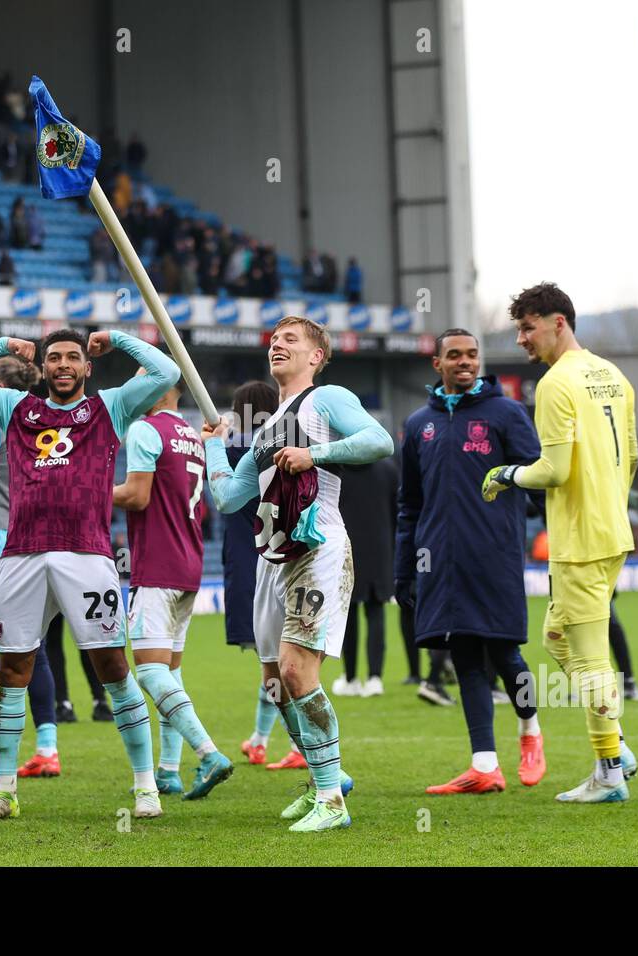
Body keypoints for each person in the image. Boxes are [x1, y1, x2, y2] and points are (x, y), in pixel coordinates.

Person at [0, 328, 180, 822]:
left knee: (112, 667)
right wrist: (2, 344)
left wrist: (120, 339)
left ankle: (145, 785)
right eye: (54, 358)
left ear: (87, 367)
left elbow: (168, 373)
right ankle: (4, 792)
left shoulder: (110, 408)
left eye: (73, 357)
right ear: (42, 368)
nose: (64, 364)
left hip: (87, 556)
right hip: (22, 556)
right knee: (11, 671)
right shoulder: (14, 409)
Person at [204, 315, 394, 831]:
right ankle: (320, 778)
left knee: (295, 671)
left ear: (315, 356)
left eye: (290, 340)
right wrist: (214, 444)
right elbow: (226, 497)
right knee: (273, 682)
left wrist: (315, 454)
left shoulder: (326, 398)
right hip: (273, 559)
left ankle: (332, 799)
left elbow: (379, 441)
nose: (276, 345)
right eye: (273, 340)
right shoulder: (266, 428)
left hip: (318, 547)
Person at [482, 282, 638, 803]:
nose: (522, 339)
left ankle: (609, 772)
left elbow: (554, 470)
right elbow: (632, 457)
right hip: (612, 529)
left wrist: (505, 472)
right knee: (556, 638)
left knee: (591, 658)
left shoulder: (554, 384)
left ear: (559, 323)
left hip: (579, 538)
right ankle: (616, 745)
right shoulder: (612, 374)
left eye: (528, 327)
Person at [396, 329, 547, 795]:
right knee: (462, 655)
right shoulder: (419, 423)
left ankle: (530, 731)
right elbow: (409, 505)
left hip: (494, 554)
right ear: (437, 364)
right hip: (439, 560)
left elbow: (540, 479)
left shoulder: (506, 413)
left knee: (504, 650)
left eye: (472, 355)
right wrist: (405, 568)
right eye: (455, 355)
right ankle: (484, 765)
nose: (465, 362)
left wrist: (560, 542)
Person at [114, 373, 233, 799]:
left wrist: (87, 491)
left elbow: (137, 495)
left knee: (148, 672)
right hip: (189, 562)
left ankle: (208, 753)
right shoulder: (191, 434)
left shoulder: (146, 429)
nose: (133, 389)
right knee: (170, 673)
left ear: (163, 390)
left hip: (157, 564)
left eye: (142, 382)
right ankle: (167, 770)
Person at [0, 355, 74, 782]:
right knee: (34, 648)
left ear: (0, 388)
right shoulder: (47, 421)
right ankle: (47, 748)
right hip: (33, 549)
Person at [222, 381, 298, 768]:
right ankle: (262, 737)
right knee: (280, 658)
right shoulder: (284, 445)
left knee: (274, 659)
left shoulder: (234, 448)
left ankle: (294, 744)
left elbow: (221, 497)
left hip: (247, 560)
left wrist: (213, 441)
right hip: (285, 554)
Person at [335, 457, 399, 698]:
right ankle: (375, 678)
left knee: (348, 616)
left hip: (345, 550)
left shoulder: (337, 469)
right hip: (380, 550)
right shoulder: (388, 469)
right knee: (376, 612)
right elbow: (398, 513)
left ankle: (350, 678)